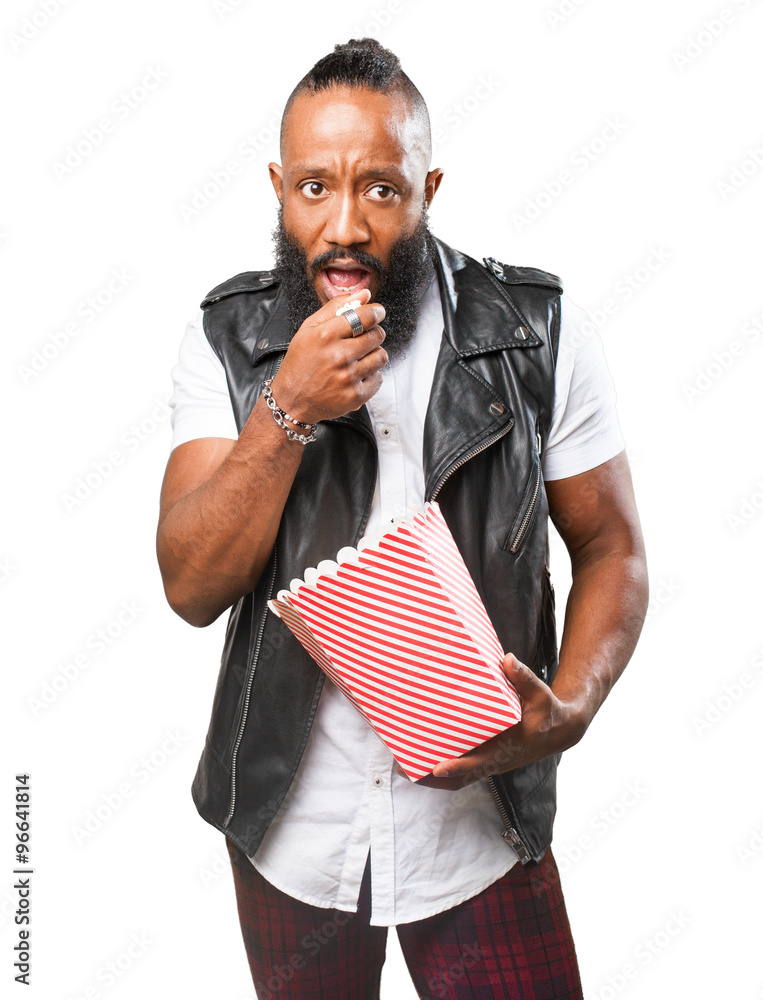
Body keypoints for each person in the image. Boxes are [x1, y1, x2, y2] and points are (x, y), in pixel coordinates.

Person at [156, 37, 648, 1000]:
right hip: (290, 827)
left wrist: (573, 710)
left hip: (479, 827)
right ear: (276, 186)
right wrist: (287, 405)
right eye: (312, 189)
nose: (343, 226)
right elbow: (191, 586)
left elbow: (611, 547)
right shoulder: (228, 340)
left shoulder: (534, 333)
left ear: (426, 187)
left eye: (379, 188)